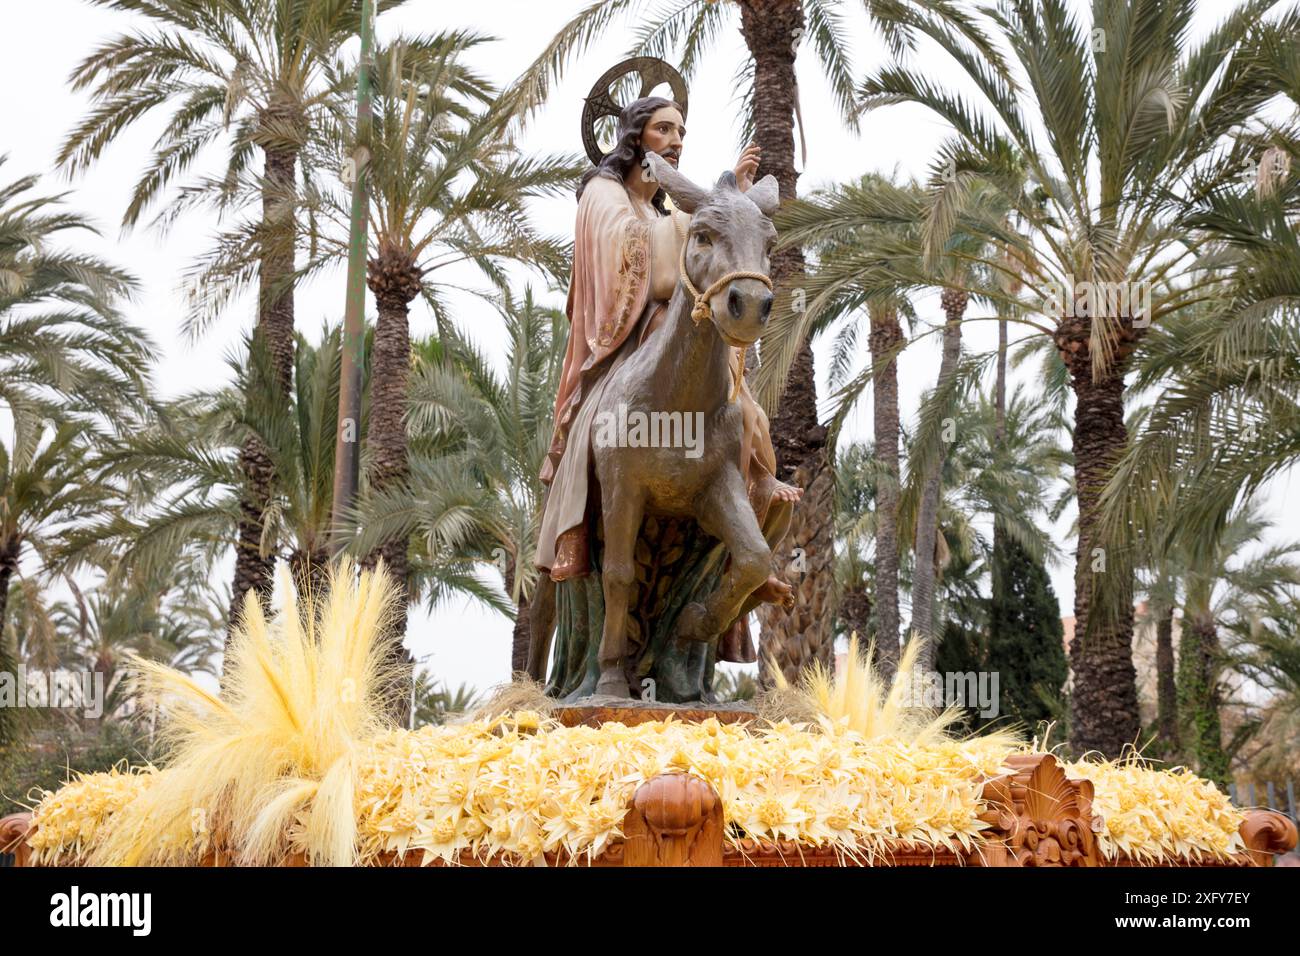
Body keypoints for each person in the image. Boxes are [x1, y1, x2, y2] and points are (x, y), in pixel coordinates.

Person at [532, 95, 799, 700]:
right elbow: (633, 256)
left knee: (735, 391)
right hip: (624, 341)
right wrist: (699, 218)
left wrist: (732, 202)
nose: (674, 139)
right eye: (662, 128)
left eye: (681, 129)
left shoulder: (661, 201)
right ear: (635, 135)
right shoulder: (602, 194)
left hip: (684, 324)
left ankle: (753, 480)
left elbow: (703, 245)